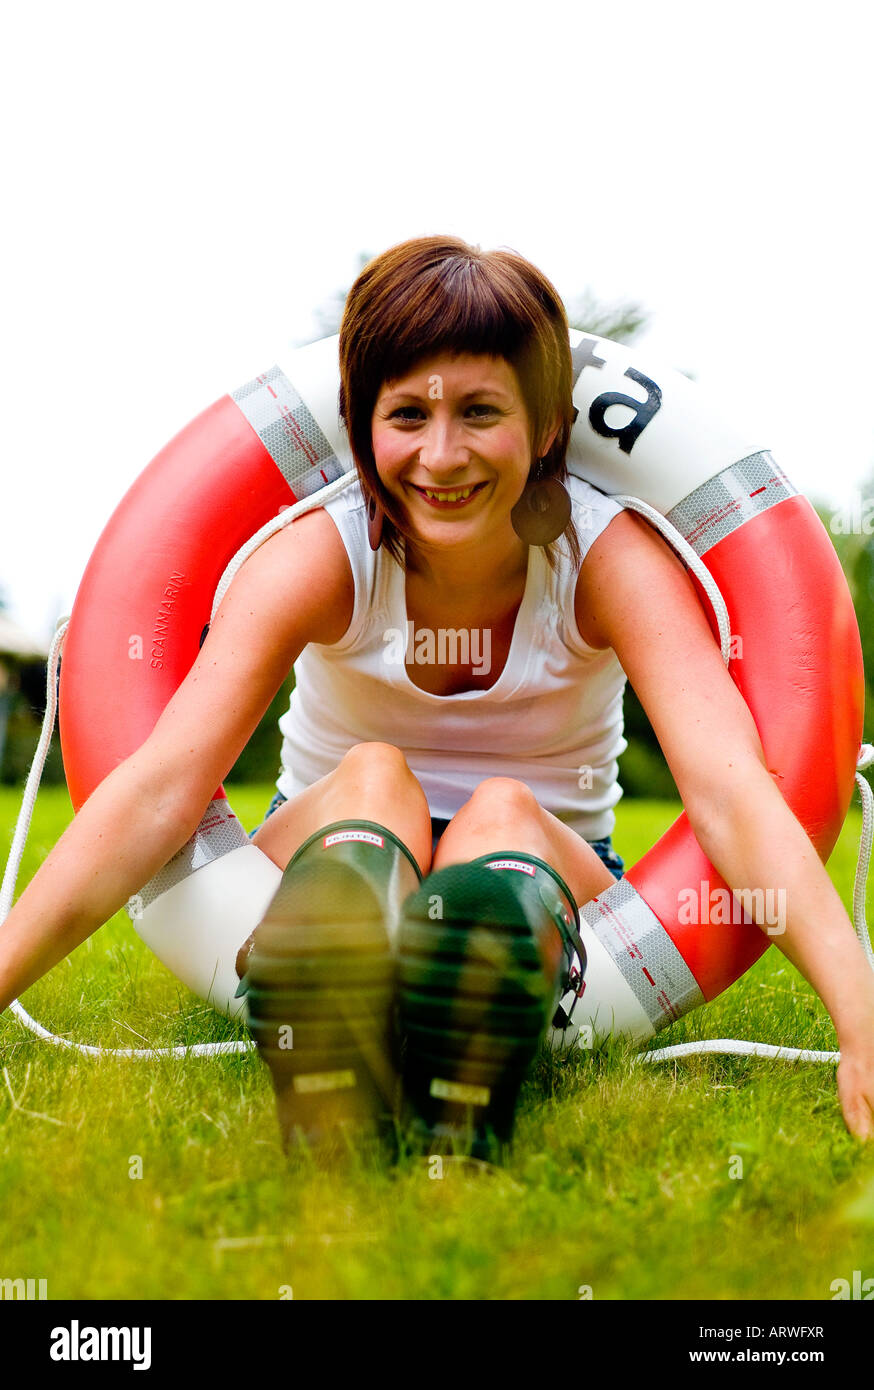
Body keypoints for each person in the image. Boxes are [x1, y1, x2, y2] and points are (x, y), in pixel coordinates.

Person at [1, 236, 873, 1158]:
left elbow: (732, 792)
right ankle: (340, 976)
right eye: (408, 414)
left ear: (544, 428)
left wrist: (859, 1013)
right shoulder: (317, 554)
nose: (441, 455)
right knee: (374, 777)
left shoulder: (607, 558)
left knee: (504, 813)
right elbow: (160, 786)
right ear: (362, 422)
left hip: (546, 864)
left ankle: (473, 1007)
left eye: (481, 411)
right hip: (338, 844)